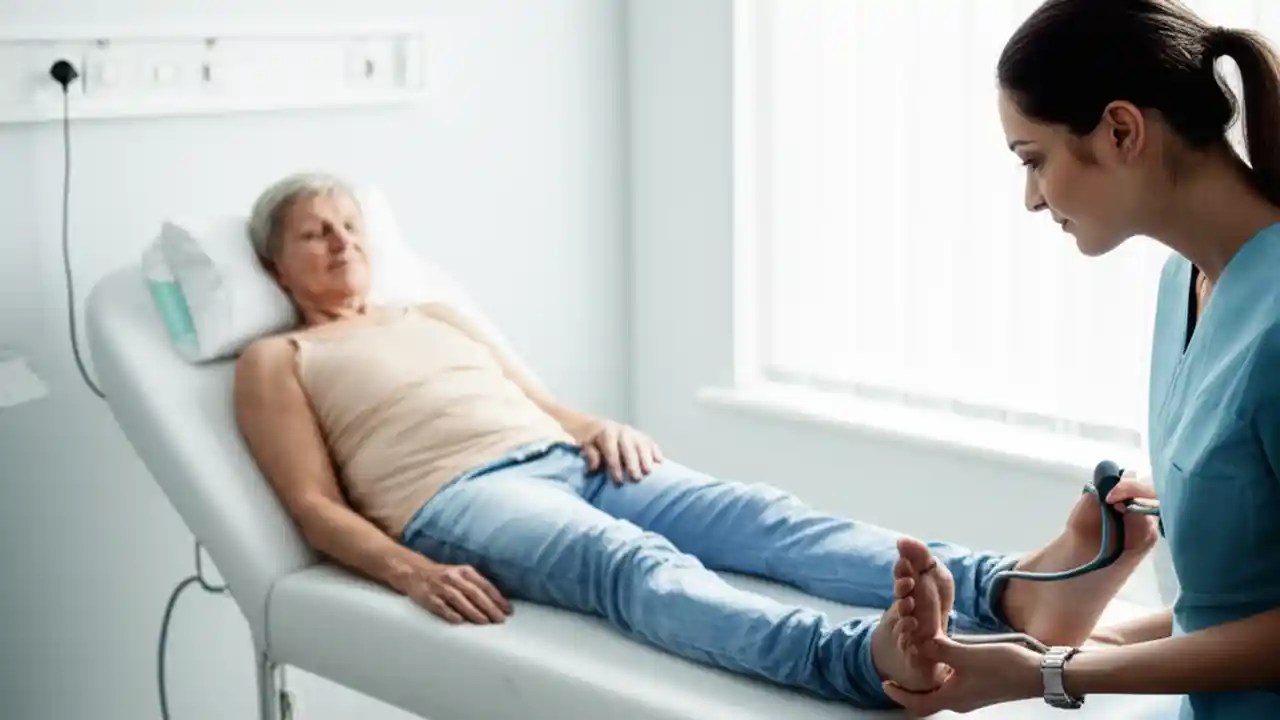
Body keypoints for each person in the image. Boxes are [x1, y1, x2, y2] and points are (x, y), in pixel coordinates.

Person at [233, 172, 1156, 710]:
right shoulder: (280, 357)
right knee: (628, 562)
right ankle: (856, 663)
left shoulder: (429, 309)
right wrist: (408, 570)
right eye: (315, 233)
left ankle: (1012, 590)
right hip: (455, 498)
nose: (342, 241)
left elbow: (537, 401)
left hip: (566, 456)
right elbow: (312, 507)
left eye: (351, 224)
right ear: (277, 262)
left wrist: (597, 428)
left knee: (763, 517)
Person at [884, 1, 1280, 718]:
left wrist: (1055, 673)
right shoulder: (1182, 286)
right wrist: (1078, 653)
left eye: (1033, 160)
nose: (1032, 198)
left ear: (1122, 130)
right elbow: (1233, 606)